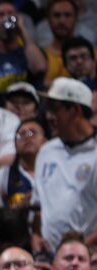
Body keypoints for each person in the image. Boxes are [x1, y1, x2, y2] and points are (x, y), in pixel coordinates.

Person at [34, 78, 97, 249]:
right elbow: (38, 205)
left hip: (88, 255)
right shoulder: (46, 151)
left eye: (54, 109)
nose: (48, 116)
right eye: (47, 109)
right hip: (48, 255)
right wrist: (36, 235)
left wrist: (80, 248)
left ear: (75, 110)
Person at [0, 118, 46, 209]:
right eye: (22, 134)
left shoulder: (57, 171)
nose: (27, 137)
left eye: (32, 133)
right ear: (15, 144)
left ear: (44, 141)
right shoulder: (3, 174)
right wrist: (18, 209)